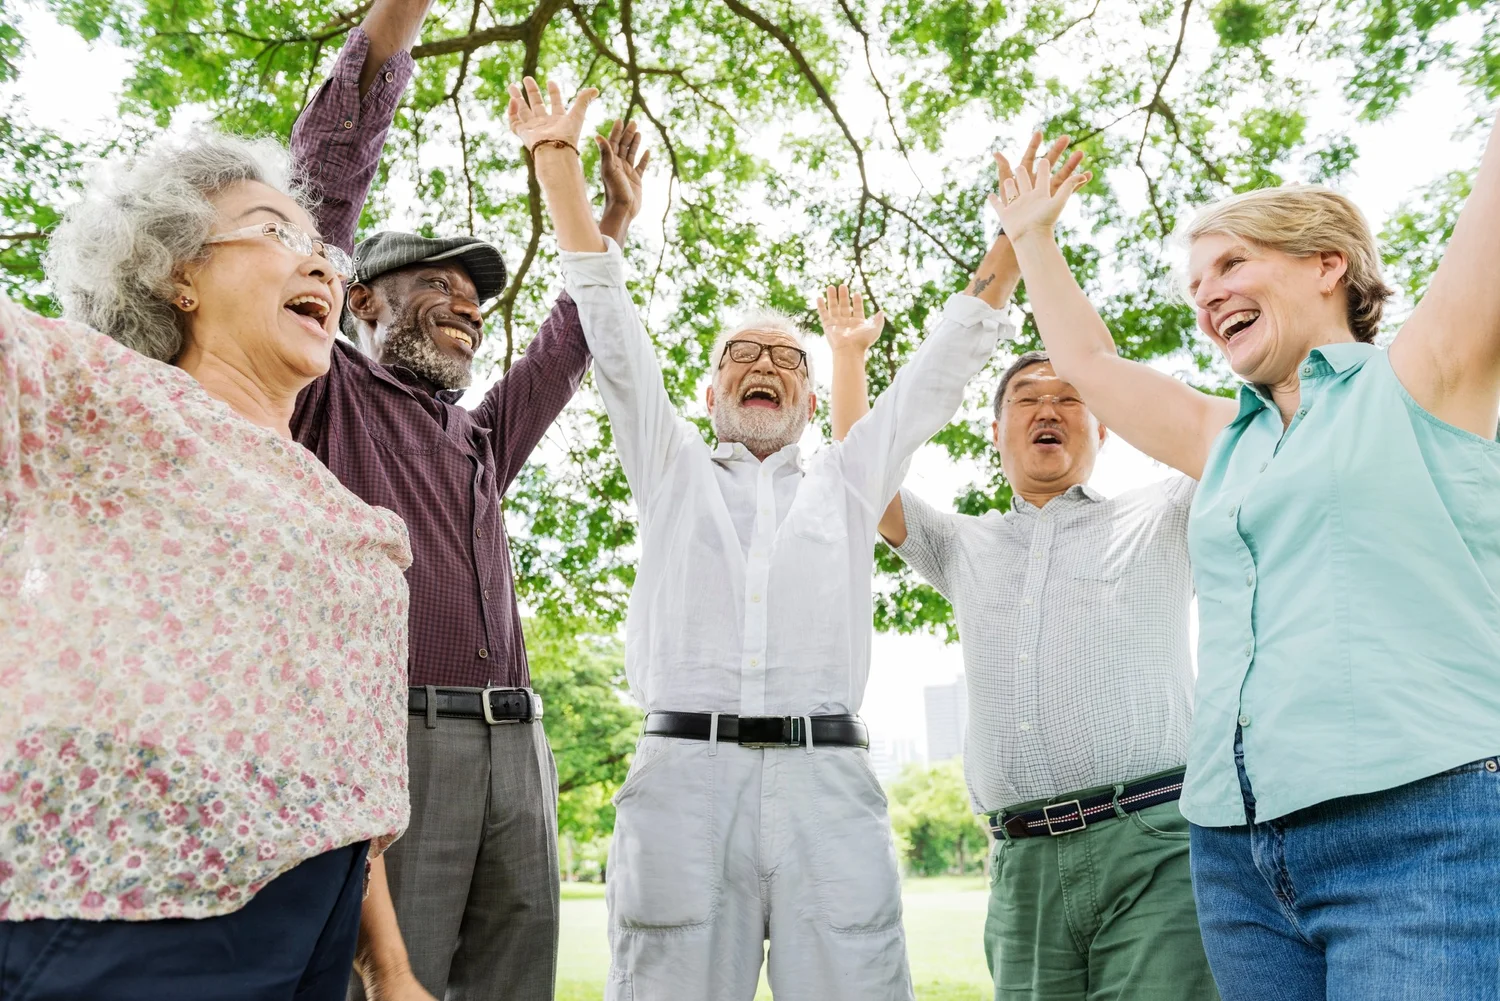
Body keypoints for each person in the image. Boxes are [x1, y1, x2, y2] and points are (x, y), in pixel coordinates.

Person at [507, 75, 1061, 1000]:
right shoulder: (670, 466)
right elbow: (606, 317)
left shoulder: (849, 478)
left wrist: (1017, 238)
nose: (764, 365)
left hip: (827, 790)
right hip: (683, 786)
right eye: (742, 356)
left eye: (788, 361)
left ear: (809, 400)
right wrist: (556, 162)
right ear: (712, 394)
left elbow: (941, 367)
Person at [994, 118, 1500, 1000]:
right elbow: (1086, 359)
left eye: (1231, 264)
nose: (1207, 295)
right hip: (1234, 853)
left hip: (1421, 827)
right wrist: (1033, 234)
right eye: (1196, 285)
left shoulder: (1426, 378)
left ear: (1326, 263)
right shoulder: (1221, 437)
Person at [0, 126, 412, 999]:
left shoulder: (341, 508)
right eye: (275, 231)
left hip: (315, 923)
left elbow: (334, 777)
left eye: (326, 253)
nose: (323, 269)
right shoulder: (103, 394)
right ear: (177, 273)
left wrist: (391, 965)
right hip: (131, 907)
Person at [286, 18, 647, 1001]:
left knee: (514, 977)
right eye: (436, 284)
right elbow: (319, 199)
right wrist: (391, 29)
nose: (466, 303)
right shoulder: (325, 391)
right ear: (358, 302)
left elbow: (568, 342)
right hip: (398, 741)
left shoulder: (482, 439)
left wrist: (608, 223)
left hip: (518, 749)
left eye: (476, 296)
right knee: (397, 982)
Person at [828, 147, 1216, 1000]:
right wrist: (848, 359)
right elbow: (862, 473)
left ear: (1104, 425)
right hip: (1024, 863)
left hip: (1153, 843)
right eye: (1027, 400)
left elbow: (1129, 387)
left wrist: (1035, 251)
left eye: (1069, 397)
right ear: (996, 434)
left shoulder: (1166, 512)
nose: (1049, 407)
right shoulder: (962, 542)